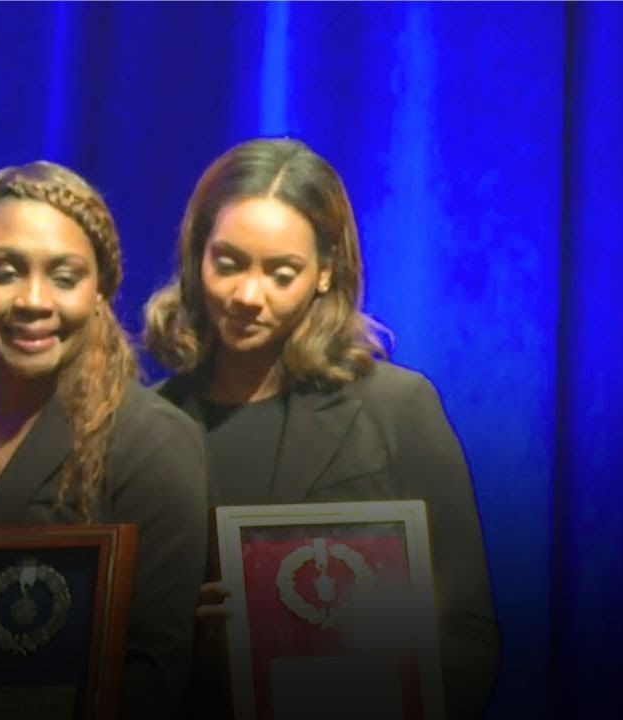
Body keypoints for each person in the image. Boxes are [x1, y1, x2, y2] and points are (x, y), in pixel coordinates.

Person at [143, 138, 500, 718]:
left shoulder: (397, 409)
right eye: (227, 263)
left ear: (326, 273)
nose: (247, 295)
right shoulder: (149, 428)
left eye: (281, 273)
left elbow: (466, 633)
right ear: (196, 256)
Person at [0, 161, 208, 719]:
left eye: (64, 277)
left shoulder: (152, 442)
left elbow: (154, 674)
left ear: (101, 291)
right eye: (5, 271)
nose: (34, 300)